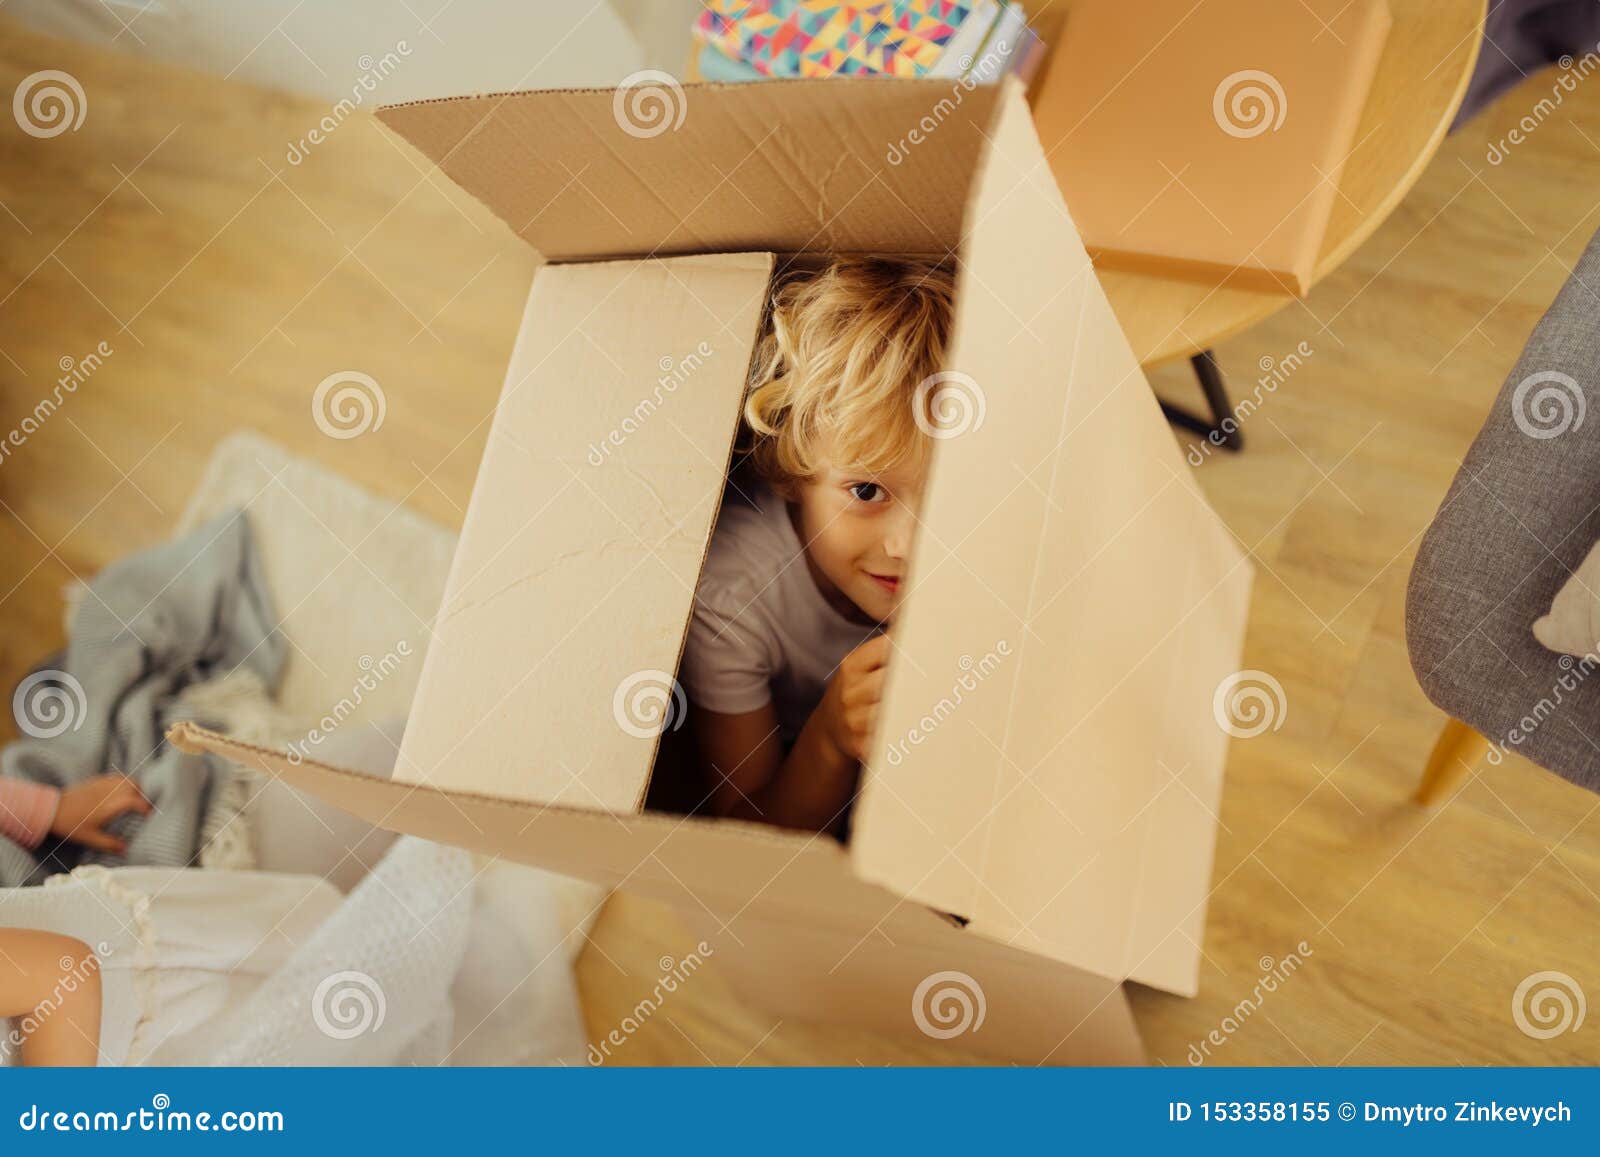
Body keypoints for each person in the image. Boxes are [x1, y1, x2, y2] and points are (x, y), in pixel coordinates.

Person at [679, 256, 954, 837]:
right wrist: (830, 735)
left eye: (951, 494)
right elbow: (747, 832)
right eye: (866, 490)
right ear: (793, 473)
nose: (911, 546)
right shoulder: (731, 595)